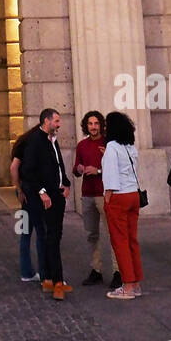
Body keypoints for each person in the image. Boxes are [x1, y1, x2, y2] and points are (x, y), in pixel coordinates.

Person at [19, 108, 72, 301]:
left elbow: (58, 165)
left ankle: (50, 278)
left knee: (54, 237)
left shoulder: (53, 140)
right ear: (46, 121)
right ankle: (56, 281)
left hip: (57, 196)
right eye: (56, 121)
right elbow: (28, 171)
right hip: (45, 199)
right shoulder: (35, 142)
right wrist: (42, 192)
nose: (59, 124)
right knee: (51, 238)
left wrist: (65, 183)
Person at [72, 110, 119, 289]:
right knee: (91, 235)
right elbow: (75, 168)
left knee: (112, 233)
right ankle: (96, 270)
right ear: (86, 126)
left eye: (96, 123)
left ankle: (118, 270)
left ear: (101, 125)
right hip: (87, 195)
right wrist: (80, 168)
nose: (93, 127)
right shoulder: (82, 145)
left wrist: (98, 170)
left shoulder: (109, 144)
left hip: (105, 194)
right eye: (90, 124)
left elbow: (117, 167)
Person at [102, 111, 144, 301]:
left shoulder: (111, 147)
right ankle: (135, 283)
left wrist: (107, 199)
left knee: (120, 242)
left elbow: (110, 176)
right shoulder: (130, 147)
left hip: (118, 196)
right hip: (133, 194)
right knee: (132, 240)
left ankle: (127, 285)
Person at [11, 125, 47, 283]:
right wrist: (20, 189)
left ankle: (26, 272)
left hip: (24, 192)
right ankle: (44, 273)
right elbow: (14, 167)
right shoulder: (33, 144)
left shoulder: (22, 142)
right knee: (41, 232)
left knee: (25, 232)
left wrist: (18, 189)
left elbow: (13, 167)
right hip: (31, 193)